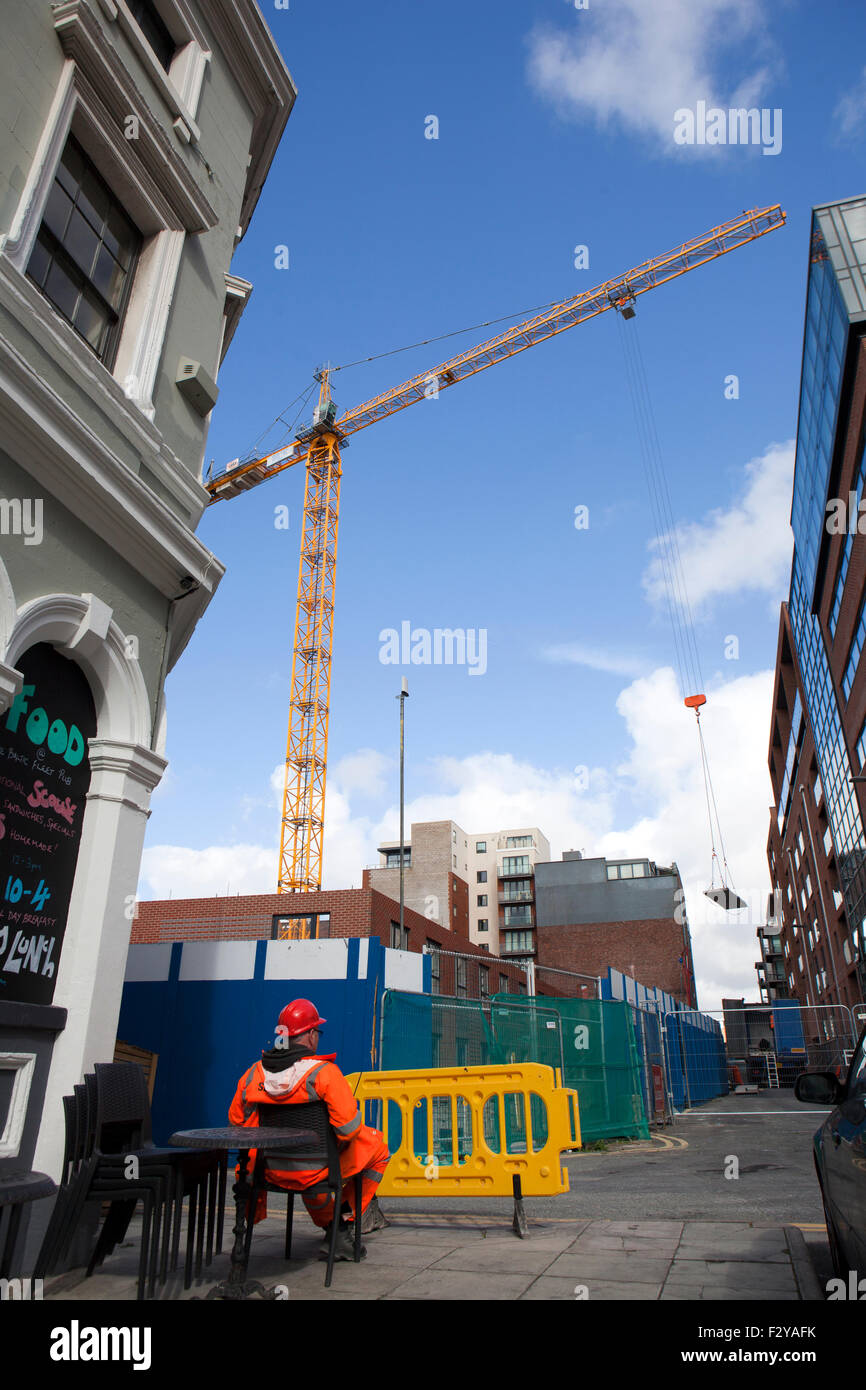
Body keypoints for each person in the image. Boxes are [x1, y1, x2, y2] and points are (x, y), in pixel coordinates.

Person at [229, 998, 389, 1260]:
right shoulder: (325, 1073)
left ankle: (334, 1228)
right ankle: (341, 1222)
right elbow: (347, 1130)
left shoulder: (253, 1074)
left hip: (268, 1172)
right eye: (318, 1032)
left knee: (317, 1173)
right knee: (378, 1149)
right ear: (312, 1035)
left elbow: (237, 1123)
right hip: (317, 1172)